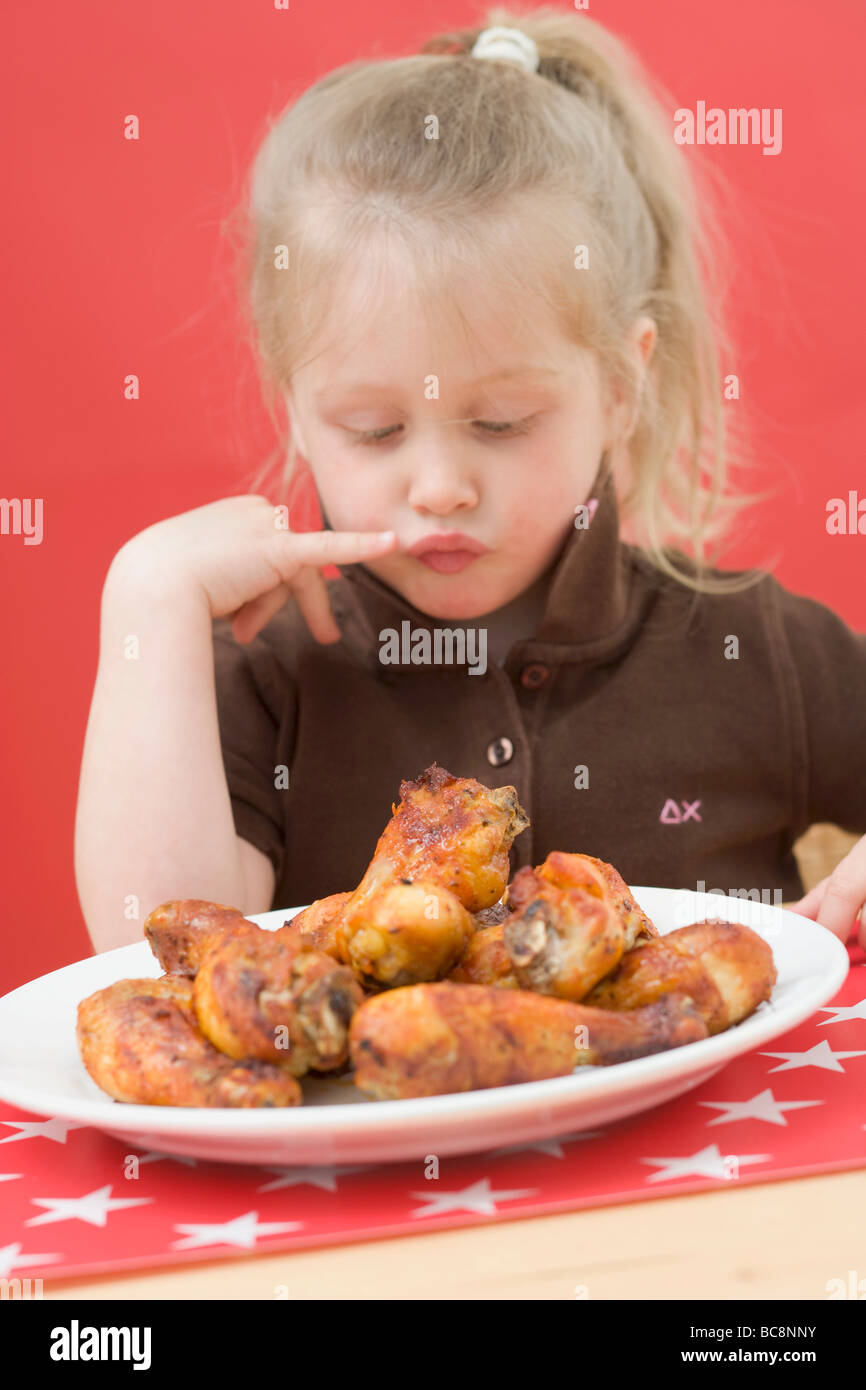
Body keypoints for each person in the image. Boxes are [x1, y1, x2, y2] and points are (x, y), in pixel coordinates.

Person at [74, 8, 866, 954]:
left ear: (622, 386)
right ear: (296, 408)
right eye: (375, 430)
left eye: (501, 423)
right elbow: (170, 951)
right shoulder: (267, 677)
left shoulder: (756, 648)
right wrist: (146, 606)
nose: (441, 486)